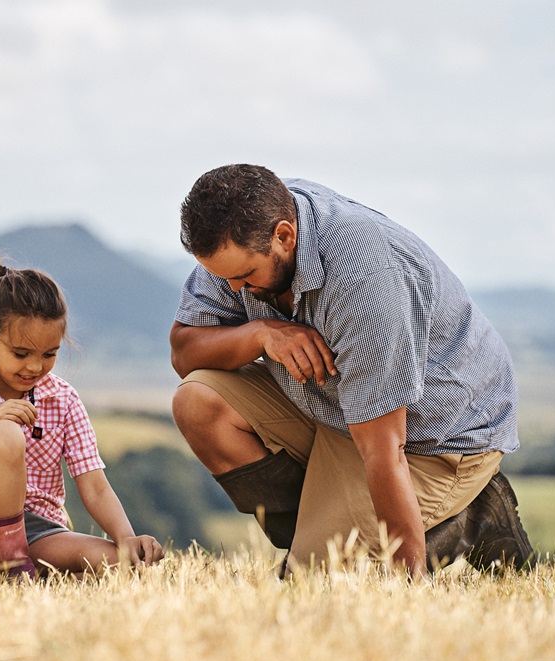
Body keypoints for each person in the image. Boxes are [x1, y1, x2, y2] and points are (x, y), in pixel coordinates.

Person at [170, 163, 534, 578]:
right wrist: (260, 333)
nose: (234, 290)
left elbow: (384, 450)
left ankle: (466, 518)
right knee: (197, 401)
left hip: (431, 439)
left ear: (285, 237)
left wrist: (407, 582)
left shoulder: (365, 276)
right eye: (224, 278)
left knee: (317, 587)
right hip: (337, 416)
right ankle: (318, 539)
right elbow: (184, 351)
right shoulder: (240, 232)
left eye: (245, 276)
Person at [0, 262, 164, 578]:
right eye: (20, 353)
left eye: (49, 354)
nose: (34, 367)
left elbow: (94, 486)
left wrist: (127, 539)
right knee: (3, 435)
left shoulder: (64, 399)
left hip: (36, 531)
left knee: (122, 566)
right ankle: (15, 571)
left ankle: (18, 564)